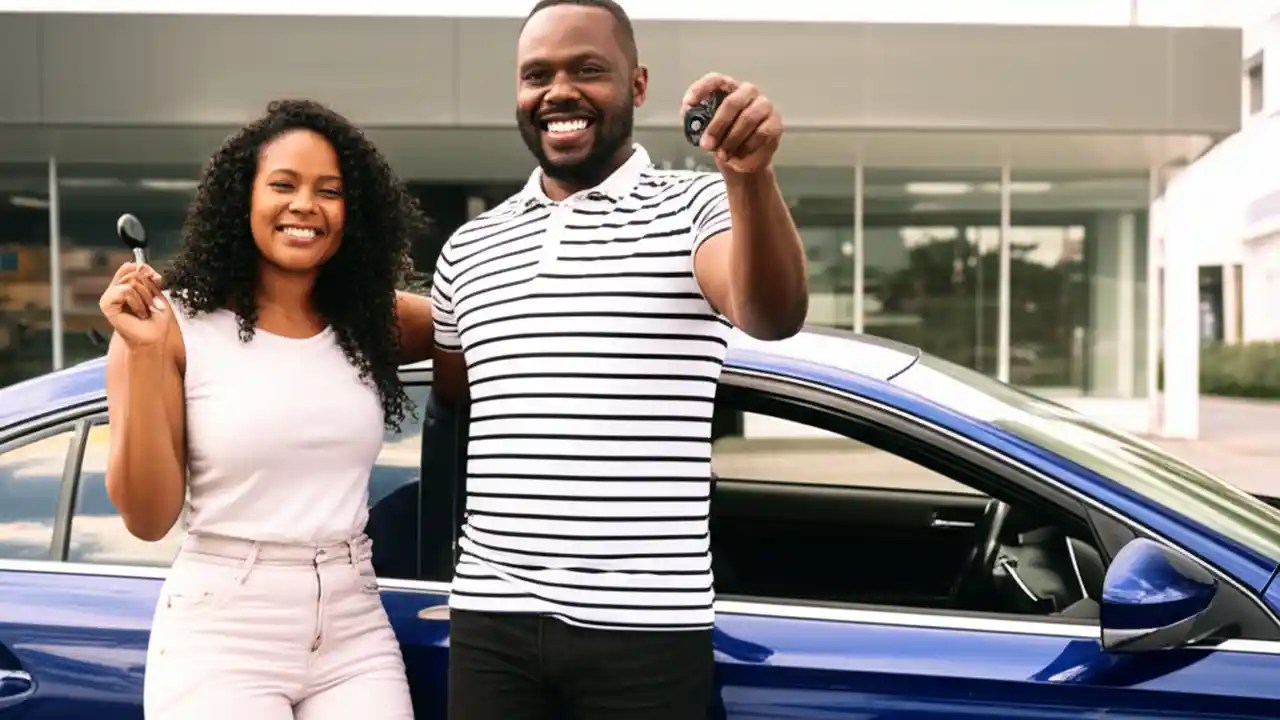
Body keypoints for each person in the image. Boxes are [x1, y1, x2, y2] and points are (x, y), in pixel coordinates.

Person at [429, 0, 808, 717]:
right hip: (490, 623)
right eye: (536, 74)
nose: (558, 91)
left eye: (588, 69)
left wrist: (750, 176)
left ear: (637, 86)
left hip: (647, 629)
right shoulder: (468, 250)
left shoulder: (698, 207)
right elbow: (456, 398)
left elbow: (770, 312)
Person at [98, 98, 434, 719]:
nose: (305, 204)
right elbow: (147, 519)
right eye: (283, 184)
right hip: (224, 627)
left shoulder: (369, 320)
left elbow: (491, 329)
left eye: (328, 191)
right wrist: (142, 355)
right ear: (242, 200)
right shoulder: (169, 327)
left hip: (352, 621)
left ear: (350, 214)